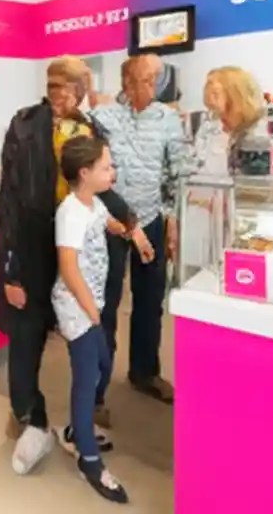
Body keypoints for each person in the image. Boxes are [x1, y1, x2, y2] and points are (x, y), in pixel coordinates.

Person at [0, 56, 153, 475]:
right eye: (51, 84)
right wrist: (10, 268)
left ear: (83, 88)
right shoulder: (24, 125)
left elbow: (100, 185)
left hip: (75, 248)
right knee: (26, 335)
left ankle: (85, 412)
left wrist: (132, 226)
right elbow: (8, 199)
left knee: (88, 330)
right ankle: (28, 414)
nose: (56, 93)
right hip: (30, 248)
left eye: (66, 85)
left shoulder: (91, 132)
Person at [91, 55, 194, 406]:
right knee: (105, 303)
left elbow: (177, 173)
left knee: (151, 301)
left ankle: (145, 372)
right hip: (112, 221)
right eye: (143, 80)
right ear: (126, 81)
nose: (150, 88)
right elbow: (90, 172)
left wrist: (172, 220)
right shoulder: (102, 118)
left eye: (155, 80)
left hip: (151, 218)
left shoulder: (168, 120)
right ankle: (96, 388)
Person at [53, 136, 129, 504]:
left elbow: (107, 220)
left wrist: (123, 229)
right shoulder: (69, 212)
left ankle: (75, 431)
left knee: (103, 363)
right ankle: (89, 459)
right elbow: (68, 267)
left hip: (92, 306)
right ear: (85, 173)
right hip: (77, 308)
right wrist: (90, 309)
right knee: (87, 379)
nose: (112, 171)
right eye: (106, 167)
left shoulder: (92, 202)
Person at [174, 66, 270, 266]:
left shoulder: (255, 134)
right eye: (208, 93)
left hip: (237, 222)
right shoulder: (202, 126)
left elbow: (258, 190)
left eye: (216, 93)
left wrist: (225, 202)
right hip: (200, 219)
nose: (210, 100)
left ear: (235, 93)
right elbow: (183, 171)